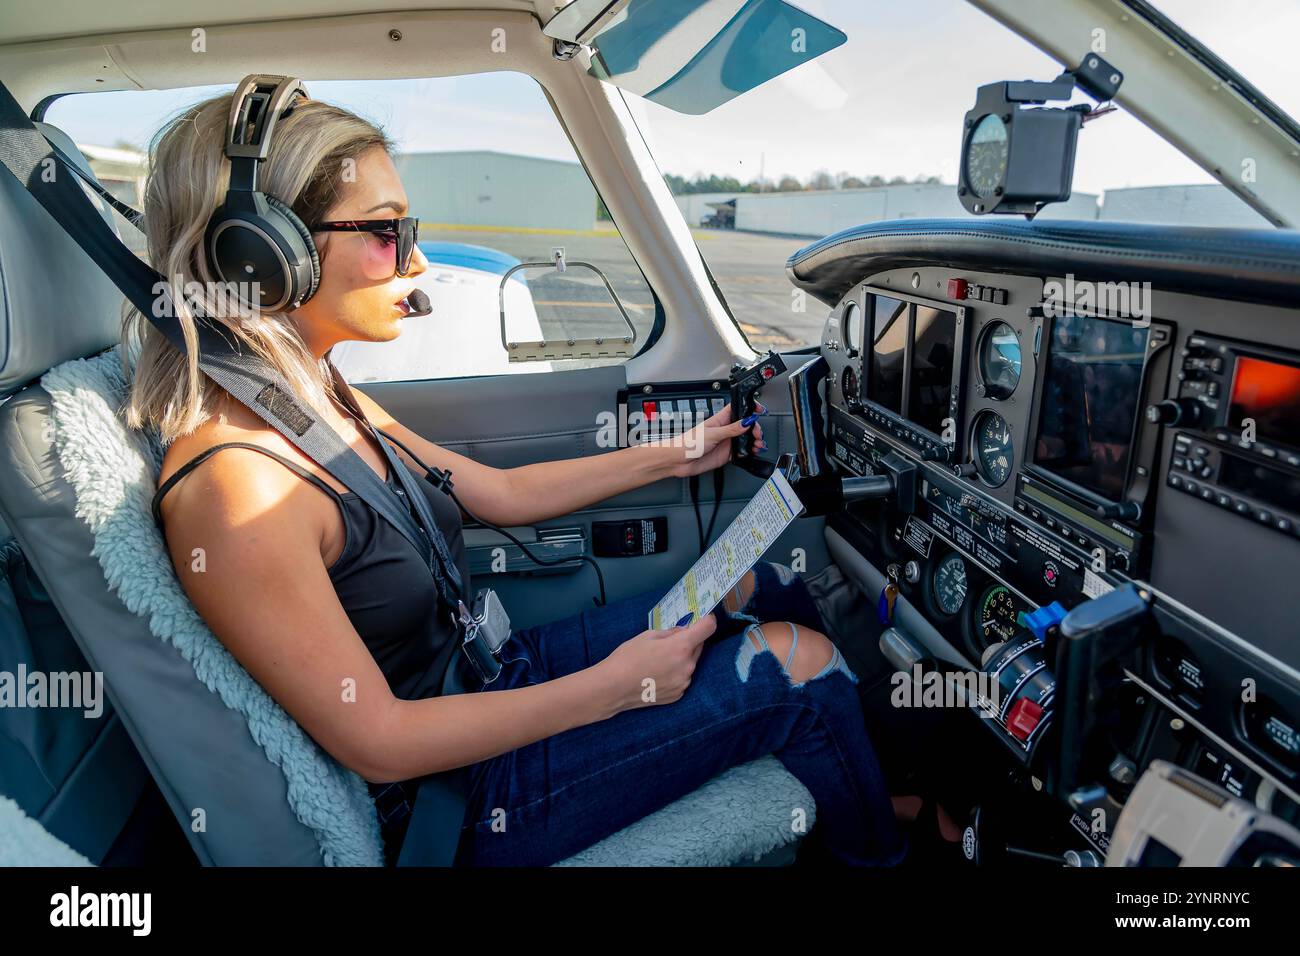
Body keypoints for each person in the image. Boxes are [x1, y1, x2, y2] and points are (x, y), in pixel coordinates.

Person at [130, 87, 905, 867]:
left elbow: (497, 494)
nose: (418, 260)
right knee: (797, 665)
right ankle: (889, 849)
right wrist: (616, 687)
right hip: (457, 795)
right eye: (386, 232)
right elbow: (380, 742)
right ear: (262, 259)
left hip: (488, 677)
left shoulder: (315, 399)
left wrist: (673, 452)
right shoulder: (238, 490)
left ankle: (863, 782)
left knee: (762, 584)